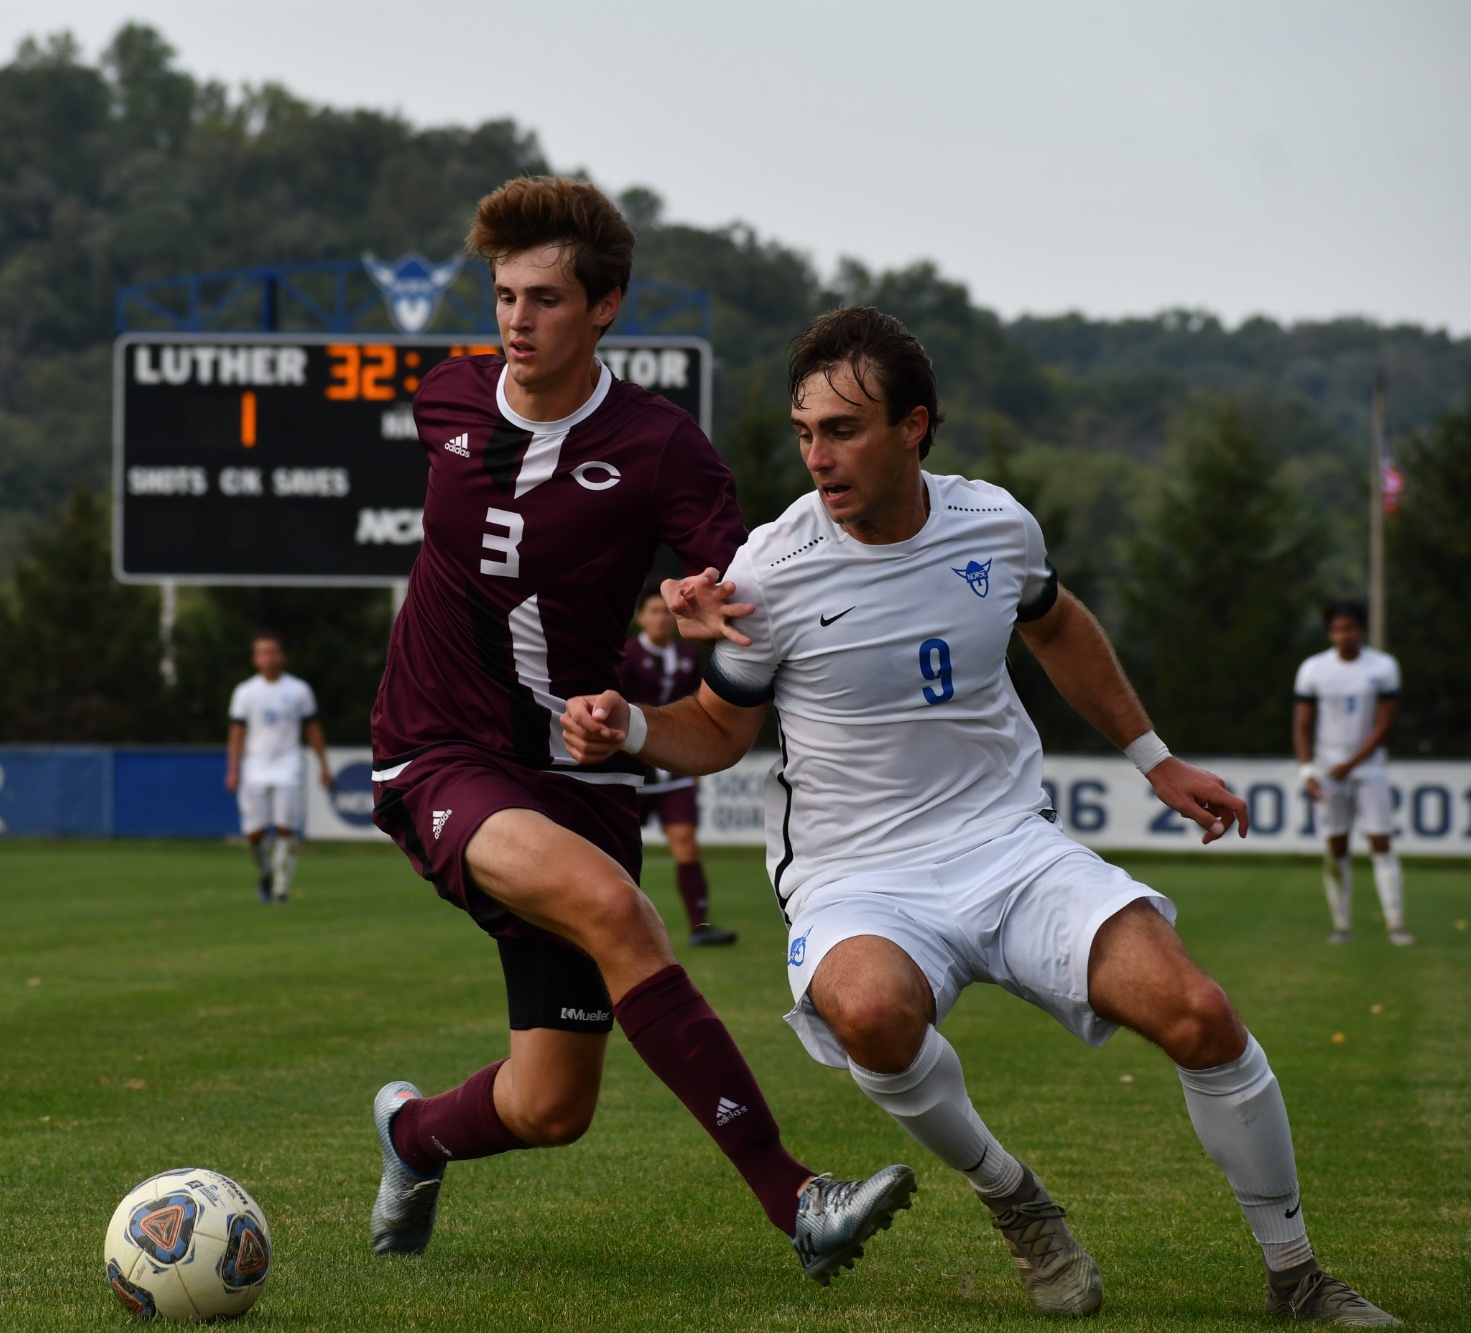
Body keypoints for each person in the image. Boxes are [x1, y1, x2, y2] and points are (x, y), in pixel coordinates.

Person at [564, 307, 1398, 1325]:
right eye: (804, 432)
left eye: (845, 429)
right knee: (866, 1012)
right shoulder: (766, 572)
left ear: (914, 427)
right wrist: (630, 733)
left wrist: (1154, 757)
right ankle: (1018, 1204)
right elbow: (715, 727)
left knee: (1201, 1014)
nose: (818, 457)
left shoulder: (994, 525)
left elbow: (1054, 623)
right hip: (854, 876)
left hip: (1008, 847)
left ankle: (1296, 1275)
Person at [365, 177, 913, 1284]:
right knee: (619, 913)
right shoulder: (447, 399)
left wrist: (712, 618)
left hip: (577, 771)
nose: (517, 320)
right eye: (504, 295)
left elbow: (737, 571)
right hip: (437, 751)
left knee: (548, 1104)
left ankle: (411, 1134)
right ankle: (796, 1195)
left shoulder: (658, 445)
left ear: (605, 307)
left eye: (545, 299)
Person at [621, 591, 735, 946]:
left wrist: (696, 765)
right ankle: (612, 926)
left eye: (666, 612)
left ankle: (699, 926)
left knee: (685, 843)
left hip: (675, 767)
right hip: (632, 770)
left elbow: (699, 711)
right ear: (640, 618)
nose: (662, 618)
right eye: (654, 612)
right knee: (618, 850)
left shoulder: (687, 655)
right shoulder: (625, 656)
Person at [1293, 602, 1408, 946]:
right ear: (1330, 632)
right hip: (1328, 770)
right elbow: (1301, 725)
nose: (1344, 635)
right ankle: (1341, 923)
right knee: (1336, 846)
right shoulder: (1313, 669)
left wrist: (1353, 762)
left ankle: (1395, 922)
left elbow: (1384, 723)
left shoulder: (1383, 667)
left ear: (1361, 630)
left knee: (1381, 841)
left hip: (1369, 770)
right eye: (1337, 629)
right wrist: (1307, 769)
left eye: (1350, 628)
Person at [225, 632, 334, 903]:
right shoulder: (245, 692)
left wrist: (323, 764)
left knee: (285, 827)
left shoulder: (299, 690)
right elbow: (237, 732)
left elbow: (313, 729)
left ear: (281, 655)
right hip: (255, 767)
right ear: (255, 659)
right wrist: (233, 768)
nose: (269, 657)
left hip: (289, 765)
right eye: (262, 652)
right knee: (254, 834)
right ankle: (267, 871)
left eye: (273, 651)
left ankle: (281, 887)